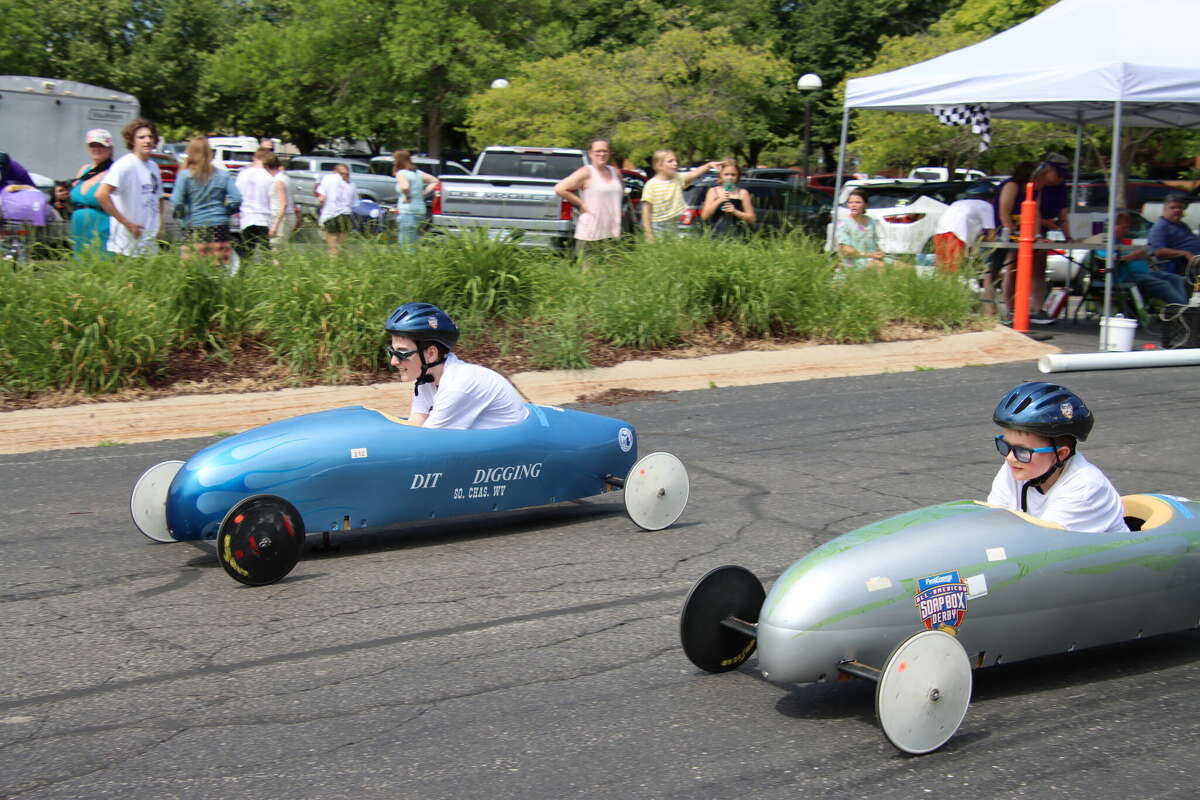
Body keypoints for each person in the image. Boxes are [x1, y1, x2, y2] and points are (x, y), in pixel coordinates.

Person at [987, 381, 1127, 533]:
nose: (1010, 458)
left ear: (1060, 454)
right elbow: (992, 522)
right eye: (1005, 446)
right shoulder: (1017, 467)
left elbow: (1041, 542)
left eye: (1023, 451)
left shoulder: (1085, 489)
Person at [384, 302, 527, 430]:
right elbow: (416, 425)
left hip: (518, 442)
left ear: (431, 354)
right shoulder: (427, 379)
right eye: (392, 352)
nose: (394, 361)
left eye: (402, 352)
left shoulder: (456, 387)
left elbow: (425, 441)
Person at [993, 157, 1072, 323]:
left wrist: (1037, 236)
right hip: (1007, 235)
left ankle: (1037, 310)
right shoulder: (1012, 186)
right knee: (1012, 267)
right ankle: (1010, 310)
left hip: (1025, 234)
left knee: (1039, 266)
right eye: (1041, 180)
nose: (1042, 184)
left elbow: (1035, 214)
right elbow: (1004, 213)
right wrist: (1009, 232)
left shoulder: (1035, 191)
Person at [96, 118, 168, 256]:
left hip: (148, 242)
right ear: (132, 141)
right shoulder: (125, 164)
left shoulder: (153, 166)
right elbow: (101, 194)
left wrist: (160, 225)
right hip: (127, 244)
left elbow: (159, 198)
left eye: (150, 137)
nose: (147, 140)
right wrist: (127, 223)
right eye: (141, 137)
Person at [1090, 212, 1190, 306]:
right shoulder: (1105, 243)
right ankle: (1182, 307)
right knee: (1163, 284)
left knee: (1177, 279)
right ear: (1113, 226)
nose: (1126, 231)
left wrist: (1145, 257)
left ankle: (1184, 305)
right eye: (1124, 227)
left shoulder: (1121, 242)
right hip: (1125, 276)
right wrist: (1131, 257)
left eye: (1128, 228)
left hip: (1145, 272)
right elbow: (1108, 263)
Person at [170, 136, 242, 264]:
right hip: (220, 227)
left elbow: (176, 201)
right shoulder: (223, 175)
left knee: (192, 267)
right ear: (209, 153)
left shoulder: (185, 176)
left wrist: (183, 218)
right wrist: (226, 212)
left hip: (194, 225)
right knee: (219, 267)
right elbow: (237, 198)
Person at [555, 139, 624, 254]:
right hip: (590, 233)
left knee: (612, 265)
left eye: (605, 151)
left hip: (612, 231)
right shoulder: (586, 172)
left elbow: (621, 194)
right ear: (590, 153)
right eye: (598, 151)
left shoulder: (615, 172)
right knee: (589, 265)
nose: (602, 154)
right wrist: (581, 204)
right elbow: (560, 188)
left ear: (609, 153)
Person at [640, 151, 721, 242]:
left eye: (676, 160)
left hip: (676, 223)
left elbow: (694, 174)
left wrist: (708, 165)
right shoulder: (651, 185)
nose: (675, 163)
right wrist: (648, 233)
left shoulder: (677, 178)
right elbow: (646, 211)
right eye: (670, 161)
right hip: (659, 226)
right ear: (659, 165)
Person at [68, 129, 115, 254]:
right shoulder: (84, 169)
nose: (97, 149)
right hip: (79, 227)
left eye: (101, 145)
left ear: (110, 148)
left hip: (102, 225)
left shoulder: (114, 171)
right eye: (93, 145)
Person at [933, 182, 995, 274]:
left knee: (942, 269)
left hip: (940, 232)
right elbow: (991, 236)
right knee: (954, 270)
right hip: (956, 234)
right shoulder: (986, 205)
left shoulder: (958, 202)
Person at [234, 147, 275, 257]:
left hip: (247, 216)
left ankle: (243, 268)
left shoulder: (243, 174)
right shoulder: (269, 176)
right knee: (267, 253)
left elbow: (237, 194)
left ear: (254, 158)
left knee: (246, 252)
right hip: (265, 217)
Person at [1147, 194, 1200, 277]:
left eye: (1180, 208)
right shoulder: (1160, 227)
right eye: (1173, 207)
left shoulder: (1182, 225)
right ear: (1164, 210)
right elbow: (1159, 251)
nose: (1177, 210)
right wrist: (1185, 254)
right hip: (1187, 265)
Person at [700, 160, 756, 237]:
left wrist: (735, 212)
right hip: (716, 234)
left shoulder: (743, 193)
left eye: (733, 175)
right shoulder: (713, 191)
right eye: (726, 174)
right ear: (720, 175)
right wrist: (719, 200)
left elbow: (752, 219)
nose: (730, 177)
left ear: (738, 176)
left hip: (737, 235)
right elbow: (704, 216)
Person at [391, 150, 434, 246]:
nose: (393, 162)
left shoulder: (401, 173)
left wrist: (408, 197)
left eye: (394, 159)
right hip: (420, 212)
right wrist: (424, 193)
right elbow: (434, 181)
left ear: (399, 160)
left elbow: (405, 187)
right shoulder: (418, 173)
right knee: (413, 242)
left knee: (405, 245)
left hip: (407, 212)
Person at [836, 188, 886, 270]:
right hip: (854, 261)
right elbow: (845, 249)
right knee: (880, 266)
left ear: (865, 205)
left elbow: (876, 243)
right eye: (851, 202)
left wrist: (879, 253)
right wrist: (869, 255)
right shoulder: (843, 223)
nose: (853, 205)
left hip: (873, 258)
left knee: (902, 266)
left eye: (857, 202)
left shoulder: (871, 221)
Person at [317, 162, 356, 254]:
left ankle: (332, 262)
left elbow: (322, 199)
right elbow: (353, 204)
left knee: (332, 247)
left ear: (334, 171)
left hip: (330, 215)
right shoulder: (351, 185)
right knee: (341, 246)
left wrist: (321, 210)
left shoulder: (328, 179)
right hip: (346, 216)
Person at [265, 153, 294, 250]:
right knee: (280, 249)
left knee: (276, 249)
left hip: (282, 218)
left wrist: (275, 226)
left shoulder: (279, 181)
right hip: (285, 217)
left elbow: (283, 204)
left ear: (267, 167)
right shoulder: (285, 177)